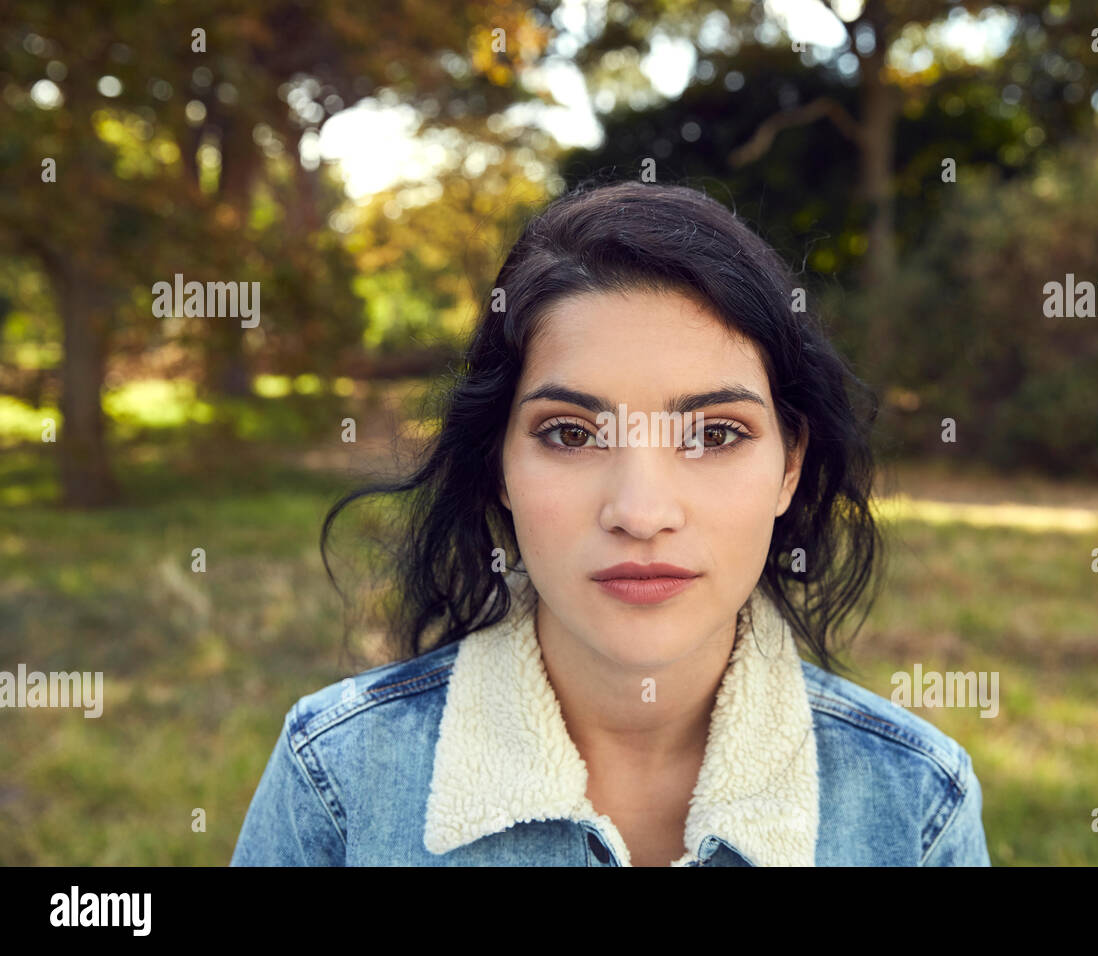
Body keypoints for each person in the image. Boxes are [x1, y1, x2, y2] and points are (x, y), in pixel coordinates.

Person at [230, 179, 991, 866]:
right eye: (571, 433)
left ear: (790, 466)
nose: (640, 513)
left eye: (715, 433)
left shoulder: (919, 807)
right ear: (498, 464)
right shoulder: (336, 780)